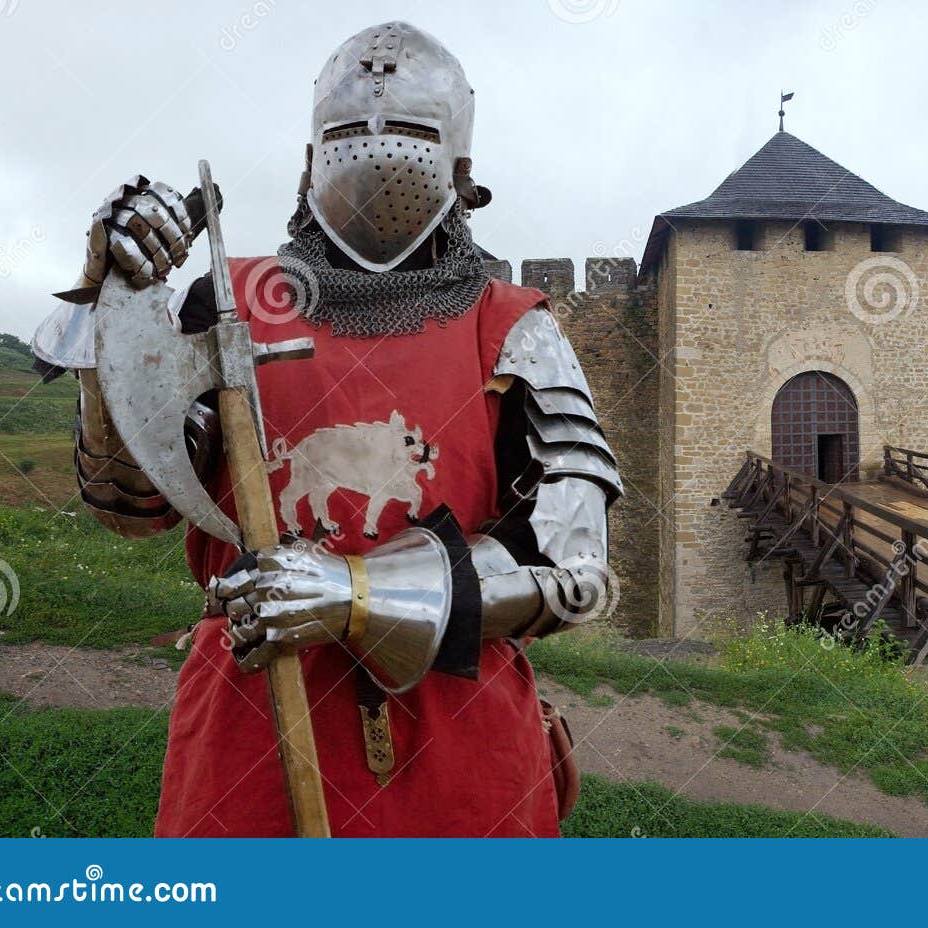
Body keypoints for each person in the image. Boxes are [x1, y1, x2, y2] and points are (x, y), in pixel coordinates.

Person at [32, 21, 619, 837]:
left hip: (455, 738)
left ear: (461, 169)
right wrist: (117, 310)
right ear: (311, 160)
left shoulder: (513, 329)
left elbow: (576, 573)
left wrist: (352, 596)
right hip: (250, 725)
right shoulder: (230, 303)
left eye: (410, 132)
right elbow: (129, 501)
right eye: (348, 133)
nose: (377, 152)